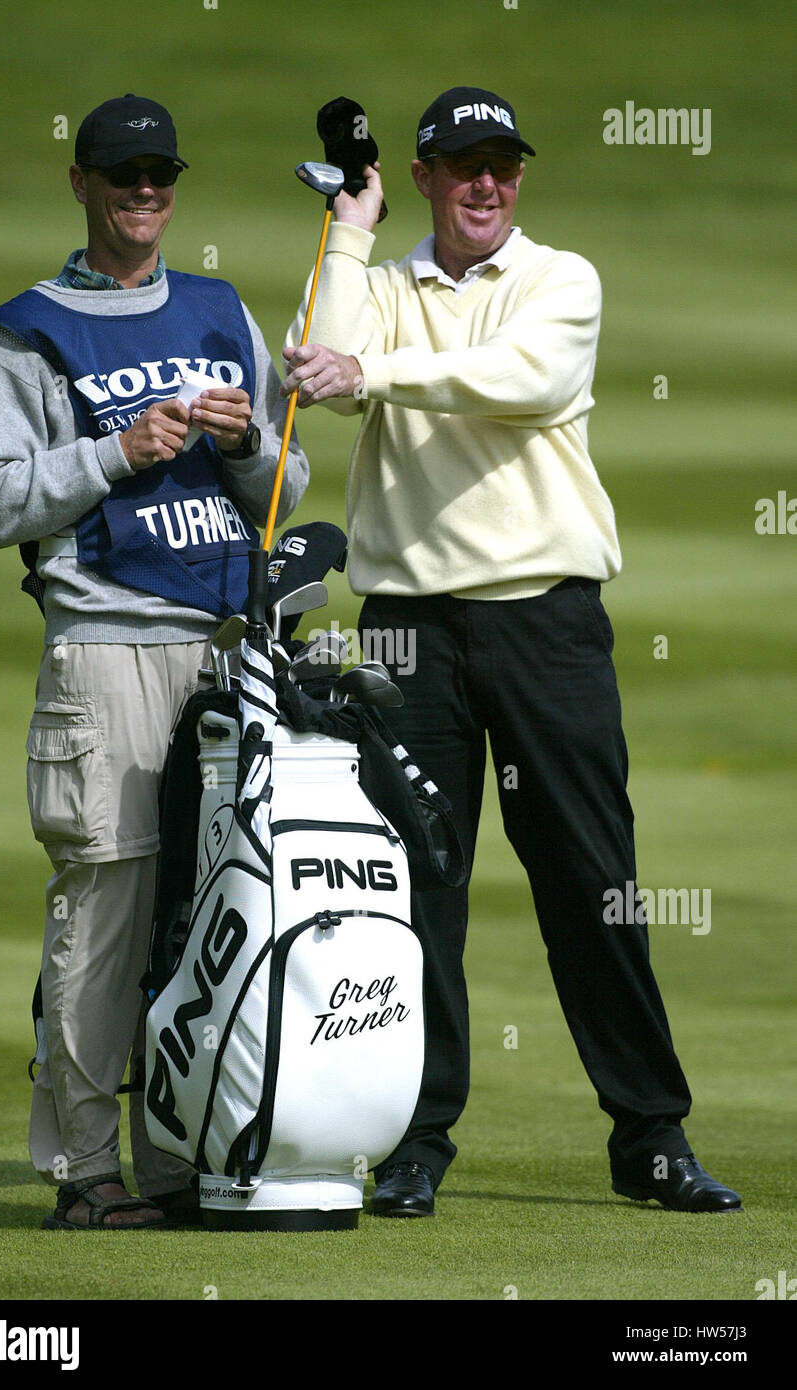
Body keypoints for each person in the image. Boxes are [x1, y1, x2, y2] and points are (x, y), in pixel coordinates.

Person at [282, 86, 740, 1217]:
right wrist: (347, 228)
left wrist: (373, 374)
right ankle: (412, 1142)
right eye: (461, 165)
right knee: (411, 892)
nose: (485, 183)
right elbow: (320, 359)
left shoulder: (558, 280)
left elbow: (521, 383)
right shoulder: (380, 285)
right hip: (405, 625)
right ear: (426, 179)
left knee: (592, 881)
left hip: (542, 616)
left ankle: (648, 1136)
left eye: (502, 164)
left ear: (515, 178)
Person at [0, 94, 308, 1229]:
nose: (143, 193)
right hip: (103, 645)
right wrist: (114, 450)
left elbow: (286, 490)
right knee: (103, 908)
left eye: (159, 175)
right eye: (122, 175)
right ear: (82, 184)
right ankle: (83, 1172)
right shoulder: (26, 333)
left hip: (217, 653)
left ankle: (175, 1159)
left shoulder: (215, 309)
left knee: (205, 912)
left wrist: (246, 439)